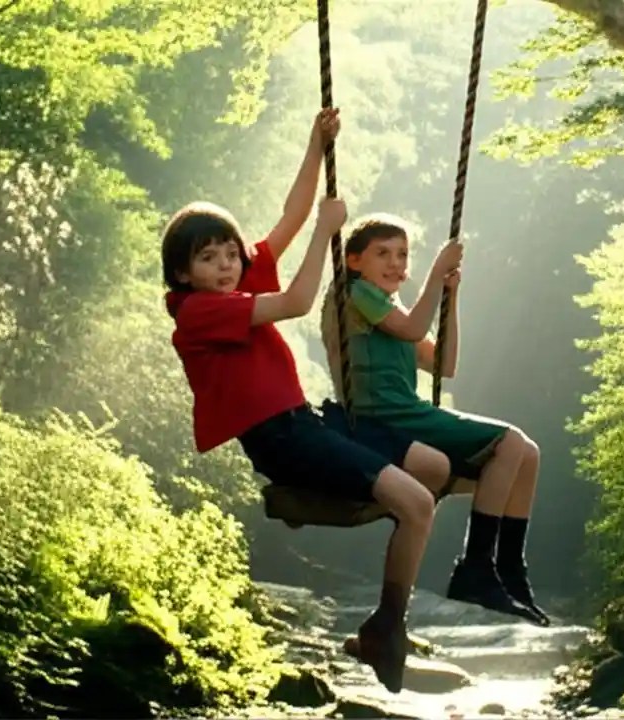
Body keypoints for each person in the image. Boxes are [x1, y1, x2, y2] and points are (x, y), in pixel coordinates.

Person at [161, 110, 448, 692]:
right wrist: (327, 232)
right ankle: (386, 628)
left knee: (436, 467)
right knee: (418, 503)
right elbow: (294, 300)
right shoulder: (200, 312)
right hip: (282, 439)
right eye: (207, 258)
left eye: (230, 254)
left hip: (308, 422)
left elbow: (290, 217)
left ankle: (367, 549)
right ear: (183, 273)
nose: (225, 265)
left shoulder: (235, 285)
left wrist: (318, 146)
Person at [320, 213, 550, 626]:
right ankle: (476, 567)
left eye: (403, 255)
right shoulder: (353, 294)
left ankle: (511, 571)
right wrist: (435, 273)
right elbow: (411, 329)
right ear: (354, 261)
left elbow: (446, 364)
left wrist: (450, 296)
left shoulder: (389, 306)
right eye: (383, 254)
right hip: (382, 417)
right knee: (510, 441)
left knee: (527, 456)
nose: (396, 264)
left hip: (408, 413)